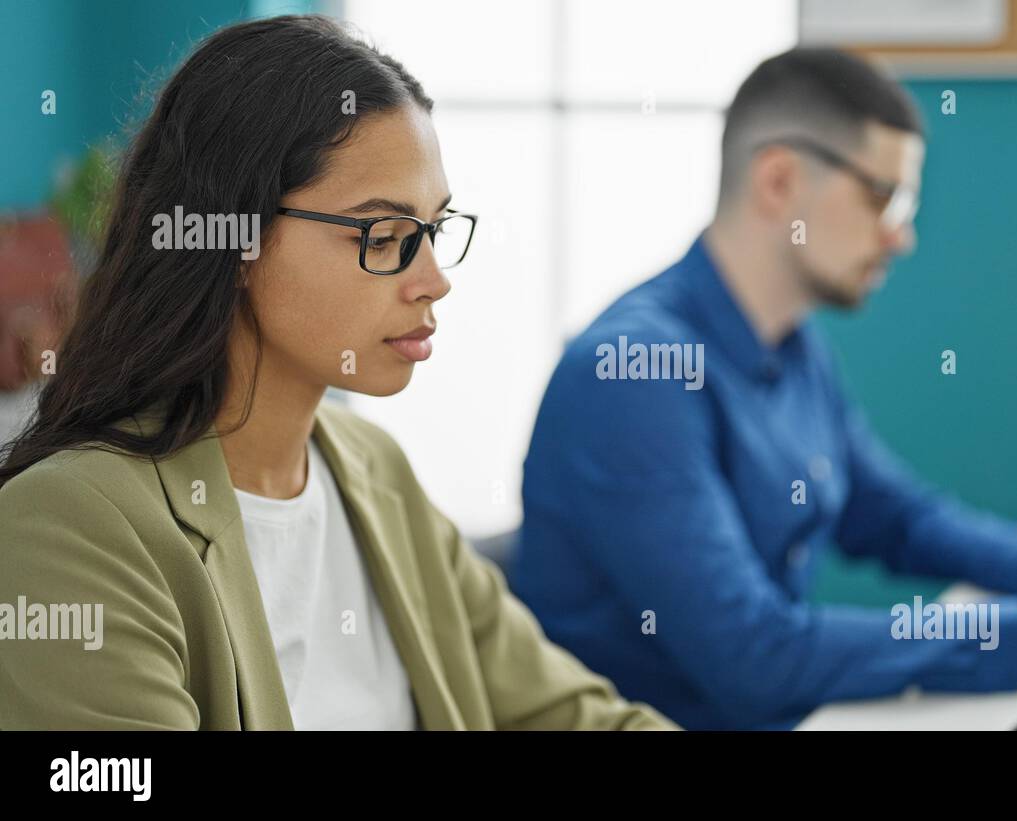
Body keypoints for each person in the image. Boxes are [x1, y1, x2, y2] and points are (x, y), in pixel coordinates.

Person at [0, 15, 674, 731]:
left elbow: (576, 715)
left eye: (433, 231)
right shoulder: (67, 524)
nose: (433, 280)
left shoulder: (372, 470)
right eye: (384, 236)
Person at [512, 48, 1017, 730]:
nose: (902, 236)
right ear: (779, 181)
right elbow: (754, 655)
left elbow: (895, 515)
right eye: (883, 197)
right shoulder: (630, 374)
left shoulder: (792, 343)